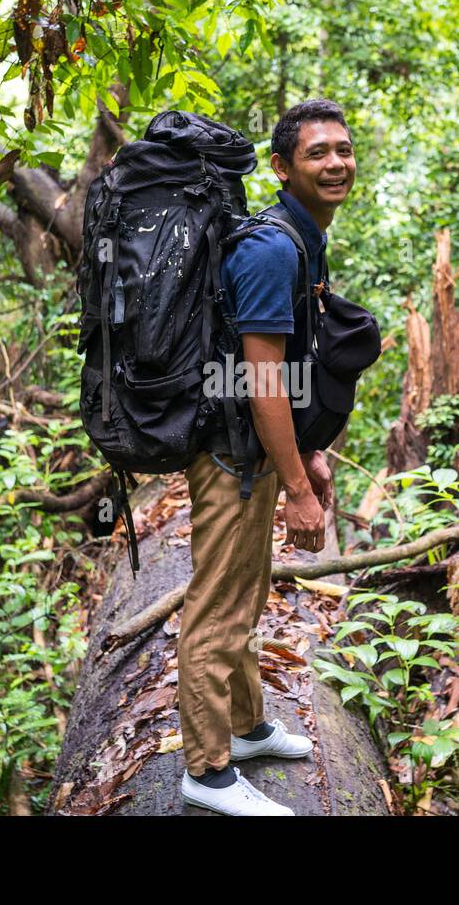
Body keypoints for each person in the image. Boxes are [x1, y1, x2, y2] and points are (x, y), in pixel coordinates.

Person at [178, 99, 357, 816]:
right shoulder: (274, 249)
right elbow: (262, 379)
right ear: (282, 167)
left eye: (343, 149)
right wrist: (299, 488)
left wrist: (307, 455)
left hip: (249, 449)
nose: (336, 162)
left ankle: (247, 727)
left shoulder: (302, 238)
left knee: (246, 591)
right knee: (218, 605)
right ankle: (205, 769)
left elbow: (294, 363)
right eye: (317, 153)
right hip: (229, 454)